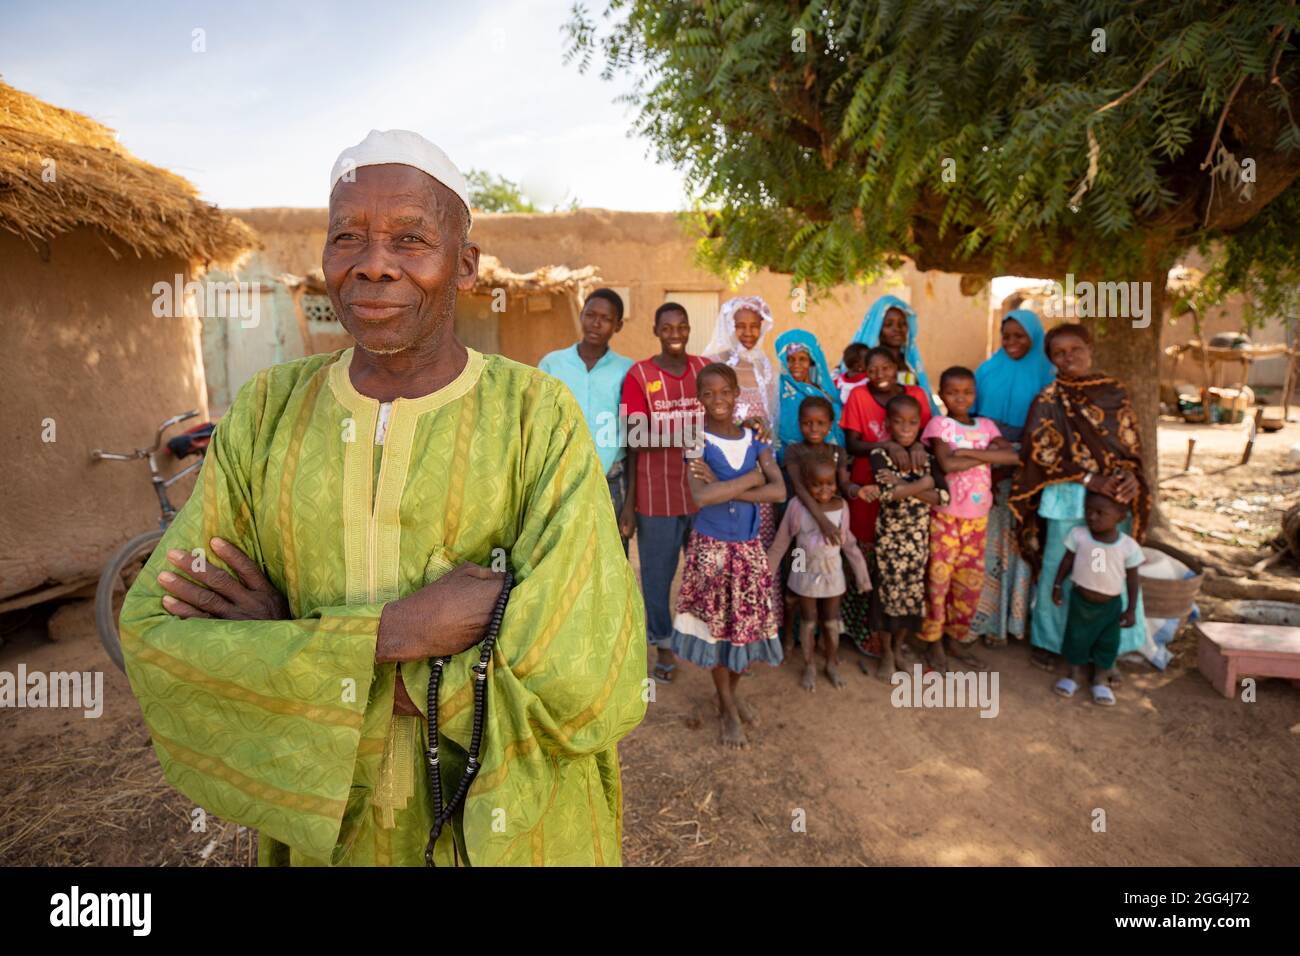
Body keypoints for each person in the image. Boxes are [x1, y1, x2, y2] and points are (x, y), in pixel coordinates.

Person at [119, 129, 646, 867]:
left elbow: (582, 662)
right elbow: (159, 636)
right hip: (329, 838)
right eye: (348, 238)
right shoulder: (267, 413)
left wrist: (289, 645)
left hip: (509, 830)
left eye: (409, 239)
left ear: (464, 265)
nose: (373, 265)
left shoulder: (536, 415)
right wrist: (388, 635)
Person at [1009, 322, 1150, 677]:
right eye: (1059, 353)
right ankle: (1057, 645)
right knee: (1065, 570)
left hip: (1114, 501)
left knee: (1111, 573)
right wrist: (1090, 478)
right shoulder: (1048, 400)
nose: (1068, 357)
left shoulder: (1114, 392)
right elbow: (1039, 452)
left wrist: (1130, 478)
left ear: (1090, 349)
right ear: (1052, 360)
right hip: (1067, 501)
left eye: (1075, 349)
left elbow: (1130, 445)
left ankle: (1107, 652)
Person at [669, 364, 786, 749]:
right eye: (708, 393)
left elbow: (779, 491)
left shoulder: (755, 436)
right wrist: (752, 478)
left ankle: (730, 695)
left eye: (725, 392)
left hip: (748, 549)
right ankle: (726, 705)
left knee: (744, 629)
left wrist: (727, 487)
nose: (717, 400)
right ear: (698, 397)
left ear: (737, 394)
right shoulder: (694, 439)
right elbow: (700, 498)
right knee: (719, 631)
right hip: (712, 550)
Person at [621, 303, 710, 683]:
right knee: (657, 577)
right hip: (655, 496)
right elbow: (634, 436)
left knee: (706, 572)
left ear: (689, 329)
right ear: (656, 330)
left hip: (704, 494)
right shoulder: (640, 375)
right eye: (668, 327)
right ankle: (663, 647)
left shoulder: (704, 369)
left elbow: (723, 418)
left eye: (682, 327)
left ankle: (709, 643)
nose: (676, 333)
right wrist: (685, 435)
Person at [968, 309, 1056, 649]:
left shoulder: (1047, 375)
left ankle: (1014, 621)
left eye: (1020, 336)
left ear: (1035, 337)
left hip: (1027, 477)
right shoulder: (986, 371)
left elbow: (1049, 433)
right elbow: (971, 418)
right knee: (987, 548)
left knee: (1021, 547)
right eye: (1007, 336)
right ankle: (984, 621)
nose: (1012, 343)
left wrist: (1015, 457)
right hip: (984, 476)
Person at [922, 367, 1019, 671]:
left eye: (966, 392)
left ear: (975, 394)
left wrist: (969, 451)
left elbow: (1013, 457)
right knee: (938, 582)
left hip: (978, 520)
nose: (960, 397)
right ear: (941, 393)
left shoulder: (987, 426)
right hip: (946, 518)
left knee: (968, 584)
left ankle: (955, 639)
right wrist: (982, 454)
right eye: (952, 392)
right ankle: (933, 642)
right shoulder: (940, 424)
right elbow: (946, 462)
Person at [839, 346, 933, 659]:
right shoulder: (858, 398)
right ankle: (864, 632)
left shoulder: (916, 394)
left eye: (886, 367)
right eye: (872, 369)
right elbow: (852, 443)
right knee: (866, 557)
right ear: (864, 369)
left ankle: (895, 635)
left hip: (907, 497)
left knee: (898, 565)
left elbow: (927, 434)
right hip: (869, 486)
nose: (880, 375)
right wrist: (888, 445)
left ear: (897, 366)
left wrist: (915, 445)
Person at [538, 288, 634, 552]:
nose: (596, 323)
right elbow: (538, 423)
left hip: (610, 480)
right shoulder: (552, 364)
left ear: (618, 325)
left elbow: (633, 434)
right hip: (560, 478)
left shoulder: (627, 370)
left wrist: (629, 504)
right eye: (590, 314)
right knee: (563, 556)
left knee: (610, 556)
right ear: (581, 315)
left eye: (605, 318)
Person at [767, 450, 870, 692]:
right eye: (816, 485)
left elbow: (850, 544)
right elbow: (782, 543)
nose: (824, 490)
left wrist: (862, 577)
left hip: (832, 568)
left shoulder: (841, 506)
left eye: (830, 483)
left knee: (831, 619)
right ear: (804, 484)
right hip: (803, 561)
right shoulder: (796, 506)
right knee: (808, 617)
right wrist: (767, 575)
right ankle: (809, 664)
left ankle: (831, 663)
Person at [863, 393, 948, 676]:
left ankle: (899, 649)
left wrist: (904, 482)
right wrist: (924, 483)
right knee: (885, 597)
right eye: (899, 422)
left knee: (911, 597)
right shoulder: (880, 454)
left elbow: (943, 497)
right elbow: (888, 495)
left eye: (912, 423)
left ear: (920, 424)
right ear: (888, 424)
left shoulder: (928, 456)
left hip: (917, 541)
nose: (906, 428)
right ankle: (886, 653)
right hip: (889, 539)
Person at [1049, 492, 1144, 706]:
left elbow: (1133, 580)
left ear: (1120, 516)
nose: (1092, 517)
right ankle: (1073, 676)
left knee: (1107, 643)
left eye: (1100, 513)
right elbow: (1066, 562)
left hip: (1110, 606)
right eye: (1089, 511)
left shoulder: (1128, 546)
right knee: (1076, 638)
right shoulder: (1079, 535)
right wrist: (1056, 585)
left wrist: (1130, 609)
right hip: (1081, 602)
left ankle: (1100, 680)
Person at [846, 294, 939, 412]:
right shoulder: (865, 364)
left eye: (902, 324)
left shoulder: (910, 364)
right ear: (877, 329)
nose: (897, 329)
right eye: (889, 325)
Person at [775, 330, 844, 456]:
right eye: (790, 359)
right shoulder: (778, 389)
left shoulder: (824, 390)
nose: (796, 365)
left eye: (802, 359)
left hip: (828, 459)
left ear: (812, 361)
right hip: (792, 460)